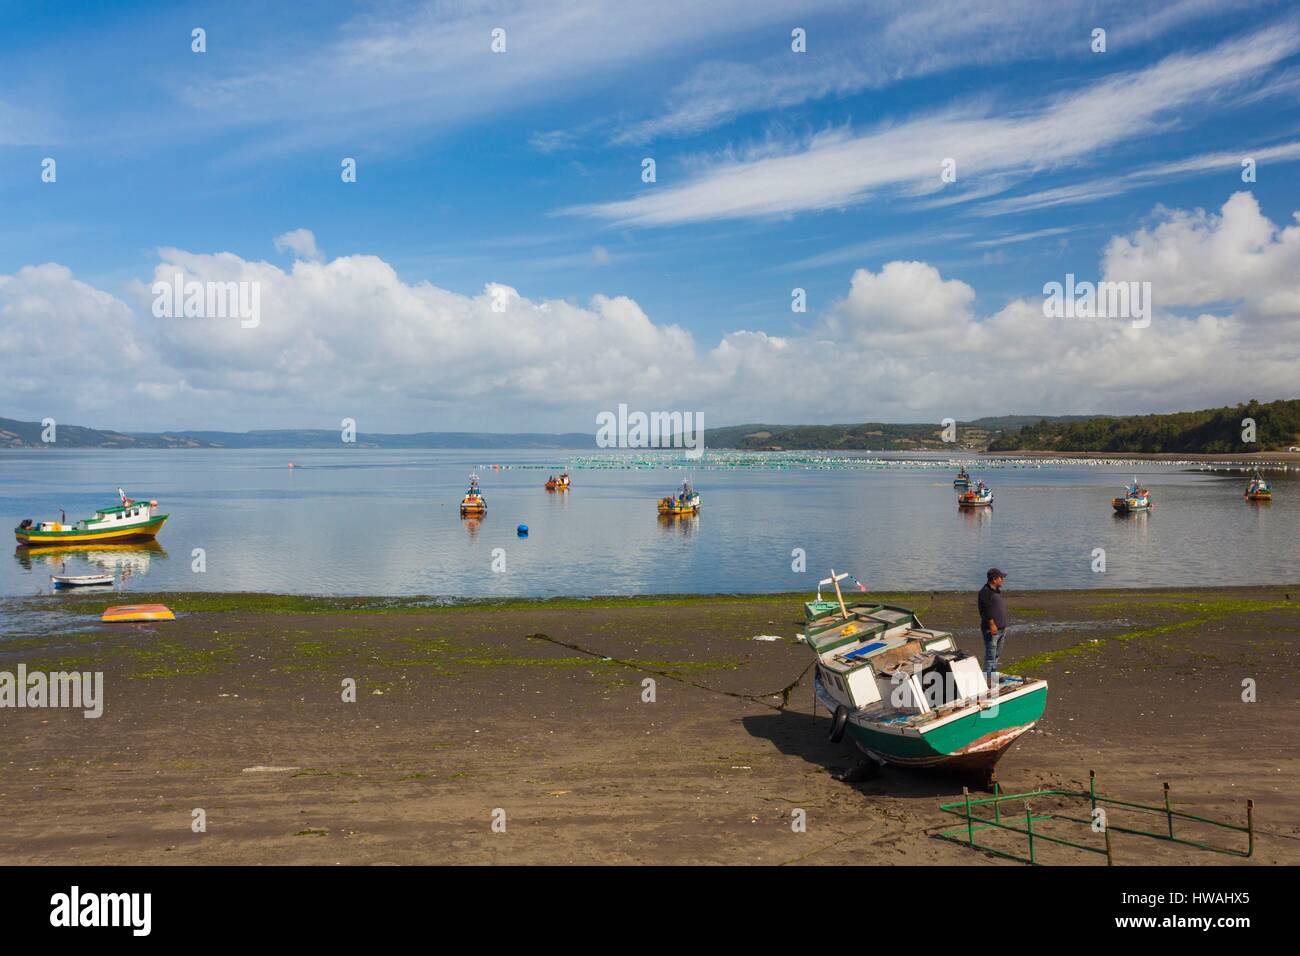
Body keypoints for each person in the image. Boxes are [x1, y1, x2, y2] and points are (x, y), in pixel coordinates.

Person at [977, 568, 1008, 690]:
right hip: (992, 629)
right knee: (990, 655)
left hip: (1001, 628)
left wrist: (1004, 626)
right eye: (1001, 578)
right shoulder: (984, 592)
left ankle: (993, 676)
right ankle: (987, 679)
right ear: (994, 579)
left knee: (997, 654)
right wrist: (992, 624)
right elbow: (984, 610)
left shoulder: (997, 591)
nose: (1003, 580)